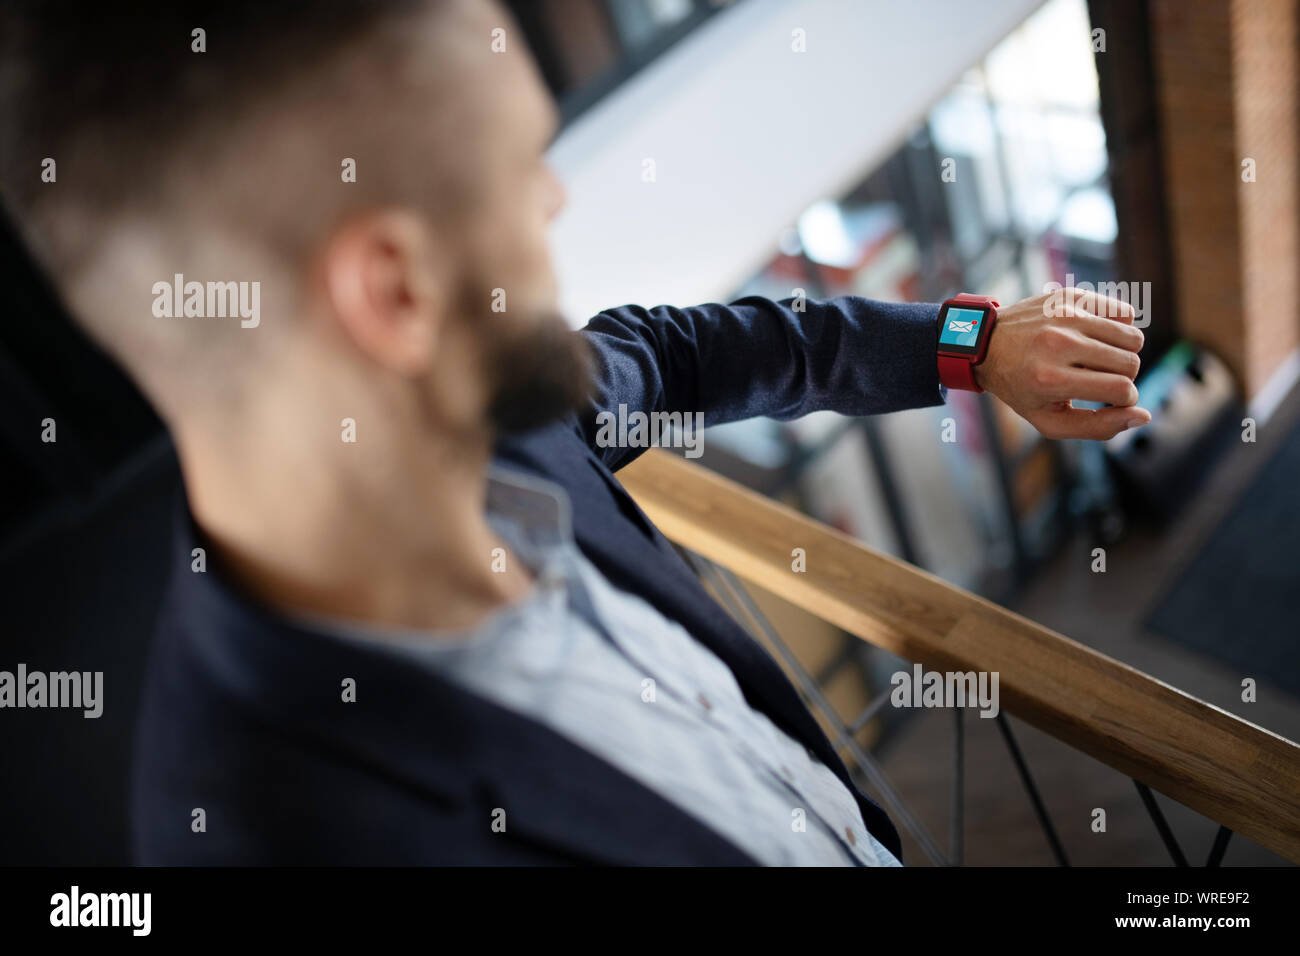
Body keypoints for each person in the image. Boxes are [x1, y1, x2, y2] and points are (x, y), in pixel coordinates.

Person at [0, 0, 1148, 865]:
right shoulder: (285, 833)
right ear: (393, 291)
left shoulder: (497, 428)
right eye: (521, 166)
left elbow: (688, 347)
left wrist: (971, 343)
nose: (554, 201)